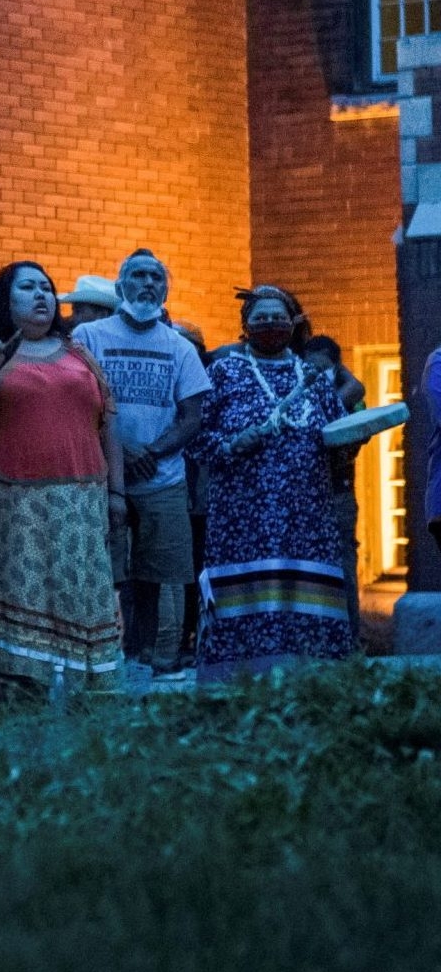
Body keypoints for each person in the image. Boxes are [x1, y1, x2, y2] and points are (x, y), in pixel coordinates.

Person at [0, 262, 123, 710]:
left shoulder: (77, 353)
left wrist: (117, 495)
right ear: (4, 299)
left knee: (71, 594)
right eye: (28, 287)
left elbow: (108, 422)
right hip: (2, 501)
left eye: (48, 288)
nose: (42, 295)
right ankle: (1, 694)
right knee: (9, 595)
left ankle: (71, 692)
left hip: (77, 499)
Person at [188, 287, 355, 680]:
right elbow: (195, 438)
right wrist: (229, 445)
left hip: (306, 516)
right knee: (245, 598)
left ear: (293, 323)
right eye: (259, 318)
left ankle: (314, 679)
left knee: (305, 595)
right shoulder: (223, 373)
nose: (269, 325)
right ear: (245, 325)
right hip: (242, 518)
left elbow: (337, 438)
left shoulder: (312, 378)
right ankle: (236, 682)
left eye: (277, 318)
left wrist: (351, 443)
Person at [71, 250, 209, 677]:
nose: (148, 284)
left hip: (163, 478)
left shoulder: (180, 348)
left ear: (165, 290)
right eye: (138, 276)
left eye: (156, 278)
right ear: (120, 288)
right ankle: (101, 660)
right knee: (101, 570)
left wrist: (151, 452)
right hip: (98, 476)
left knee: (167, 572)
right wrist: (122, 452)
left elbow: (192, 416)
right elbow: (77, 404)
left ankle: (163, 659)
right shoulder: (89, 337)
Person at [302, 334, 367, 646]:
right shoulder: (298, 394)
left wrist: (343, 393)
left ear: (337, 367)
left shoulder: (353, 398)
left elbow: (353, 437)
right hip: (303, 495)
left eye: (323, 369)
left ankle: (349, 640)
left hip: (338, 493)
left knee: (342, 567)